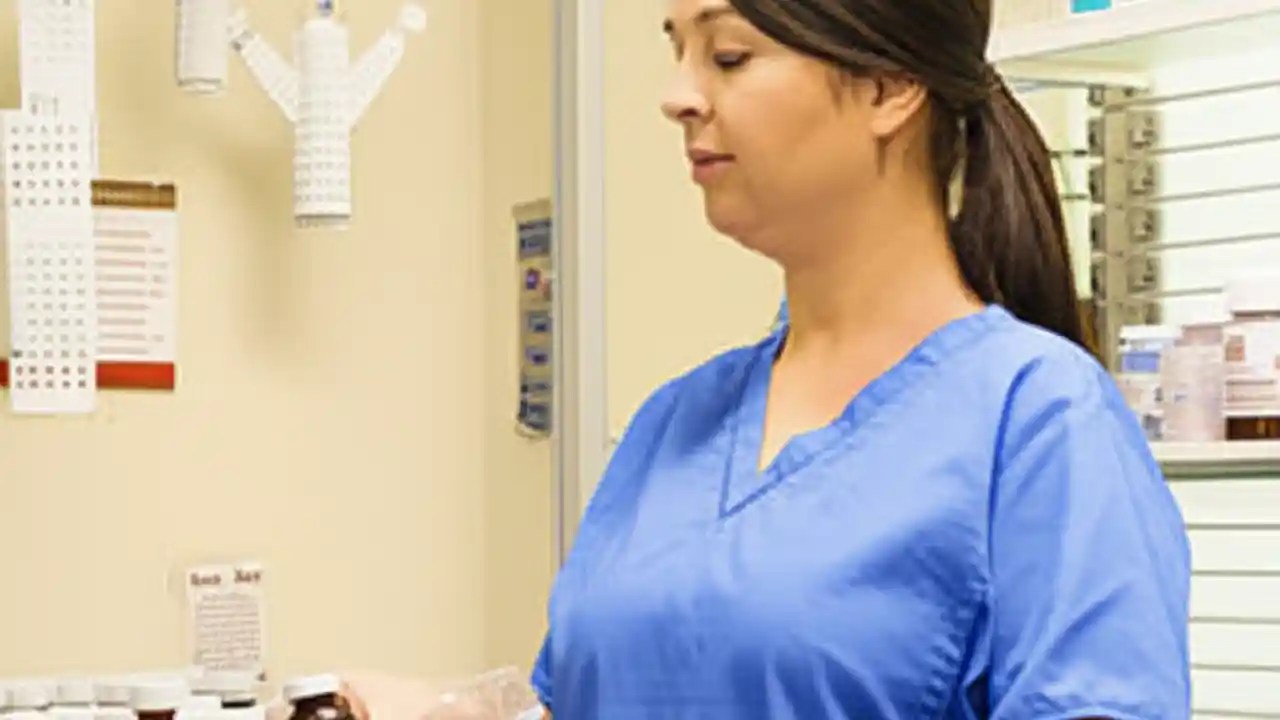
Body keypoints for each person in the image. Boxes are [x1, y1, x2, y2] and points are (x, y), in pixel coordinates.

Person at [527, 0, 1193, 717]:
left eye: (728, 57)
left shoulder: (1039, 420)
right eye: (677, 53)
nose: (677, 97)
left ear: (888, 86)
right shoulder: (674, 423)